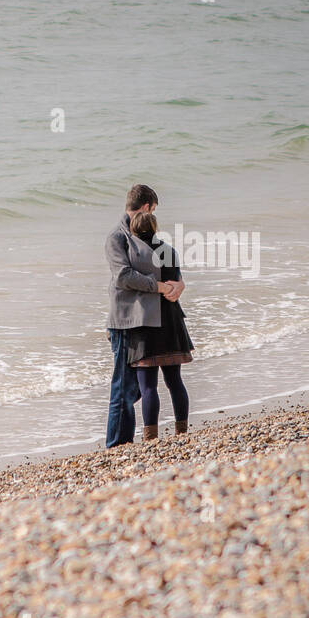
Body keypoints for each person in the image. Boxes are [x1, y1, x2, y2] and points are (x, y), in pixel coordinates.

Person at [104, 184, 183, 447]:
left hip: (143, 321)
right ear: (147, 207)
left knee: (134, 388)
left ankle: (126, 441)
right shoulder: (118, 237)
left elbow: (168, 266)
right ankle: (116, 444)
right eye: (154, 209)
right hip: (125, 320)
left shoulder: (146, 239)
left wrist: (179, 284)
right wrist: (160, 287)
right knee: (123, 389)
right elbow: (123, 276)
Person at [127, 211, 194, 439]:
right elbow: (175, 281)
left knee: (148, 387)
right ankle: (181, 431)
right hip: (171, 321)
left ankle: (150, 436)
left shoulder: (133, 254)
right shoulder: (169, 251)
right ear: (155, 227)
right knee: (175, 381)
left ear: (133, 230)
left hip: (145, 322)